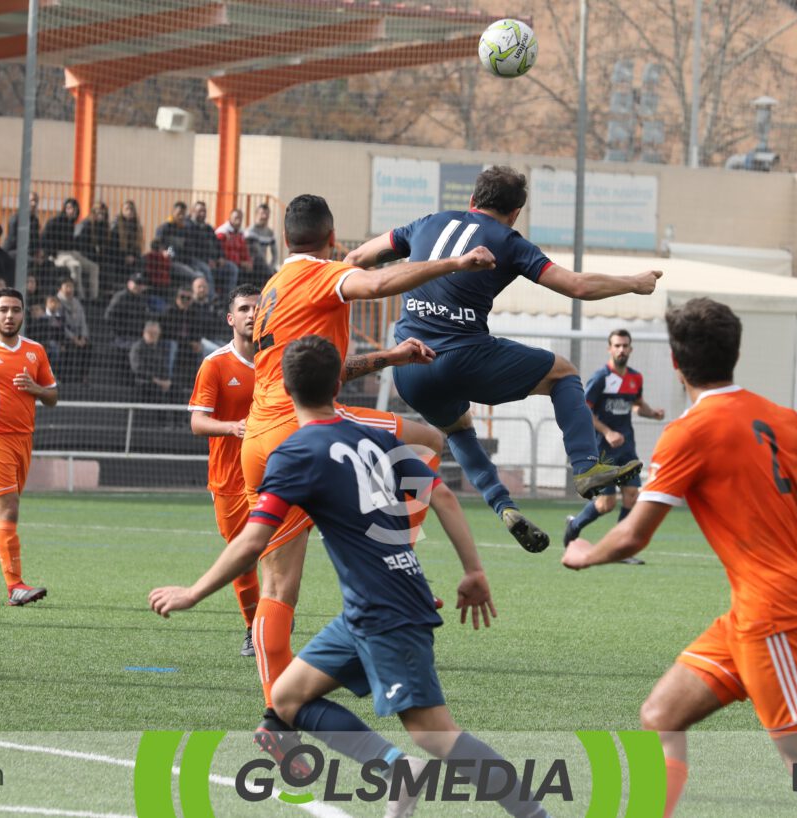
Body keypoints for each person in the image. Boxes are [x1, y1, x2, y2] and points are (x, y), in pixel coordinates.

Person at [151, 335, 551, 818]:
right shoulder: (374, 436)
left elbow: (253, 541)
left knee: (435, 733)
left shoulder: (296, 452)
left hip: (387, 611)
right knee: (286, 698)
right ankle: (396, 769)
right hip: (372, 604)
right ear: (337, 385)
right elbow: (443, 496)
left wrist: (192, 593)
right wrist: (473, 571)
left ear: (283, 388)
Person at [563, 298, 797, 818]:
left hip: (777, 614)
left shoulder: (689, 431)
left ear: (676, 364)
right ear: (736, 353)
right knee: (661, 715)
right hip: (753, 614)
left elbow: (633, 536)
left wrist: (585, 553)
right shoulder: (782, 417)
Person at [240, 193, 492, 712]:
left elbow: (329, 370)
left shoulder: (273, 288)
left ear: (285, 238)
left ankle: (276, 713)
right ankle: (400, 564)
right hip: (302, 427)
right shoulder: (323, 274)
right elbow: (376, 284)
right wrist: (456, 263)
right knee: (428, 442)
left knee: (278, 587)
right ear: (334, 240)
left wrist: (391, 357)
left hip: (260, 437)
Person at [346, 166, 661, 552]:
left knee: (458, 428)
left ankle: (503, 506)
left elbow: (357, 257)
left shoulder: (426, 223)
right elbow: (576, 285)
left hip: (408, 369)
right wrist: (634, 283)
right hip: (463, 357)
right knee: (563, 372)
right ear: (515, 214)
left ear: (472, 199)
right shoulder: (509, 241)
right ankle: (585, 466)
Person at [186, 284, 261, 655]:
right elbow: (197, 422)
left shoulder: (279, 359)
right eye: (244, 309)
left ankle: (271, 617)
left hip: (274, 475)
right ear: (231, 318)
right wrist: (233, 427)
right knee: (242, 558)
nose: (252, 314)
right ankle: (254, 625)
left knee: (279, 552)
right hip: (229, 479)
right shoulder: (215, 364)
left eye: (257, 308)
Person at [0, 287, 56, 606]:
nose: (10, 315)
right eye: (3, 310)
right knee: (9, 507)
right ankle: (15, 586)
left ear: (23, 314)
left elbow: (52, 396)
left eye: (15, 310)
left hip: (23, 439)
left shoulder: (35, 350)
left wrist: (36, 389)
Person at [563, 329, 666, 556]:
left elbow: (636, 405)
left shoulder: (635, 378)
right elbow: (584, 411)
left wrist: (652, 413)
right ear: (609, 349)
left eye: (625, 346)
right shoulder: (600, 378)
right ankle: (574, 525)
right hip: (603, 448)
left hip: (627, 447)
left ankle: (621, 550)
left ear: (631, 349)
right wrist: (608, 432)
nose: (621, 350)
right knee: (606, 503)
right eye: (617, 346)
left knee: (632, 496)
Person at [182, 201, 238, 296]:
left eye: (204, 211)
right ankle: (212, 299)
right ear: (192, 211)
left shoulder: (208, 228)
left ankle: (229, 299)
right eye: (200, 211)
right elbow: (191, 249)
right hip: (195, 261)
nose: (203, 214)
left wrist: (221, 257)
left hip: (213, 261)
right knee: (206, 269)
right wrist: (207, 261)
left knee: (232, 268)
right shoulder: (188, 227)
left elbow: (218, 245)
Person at [105, 273, 155, 347]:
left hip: (136, 336)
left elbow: (145, 316)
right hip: (121, 337)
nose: (139, 286)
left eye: (141, 284)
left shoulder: (142, 298)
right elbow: (109, 315)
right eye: (137, 283)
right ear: (129, 283)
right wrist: (117, 331)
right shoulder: (120, 297)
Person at [129, 320, 170, 402]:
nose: (154, 336)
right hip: (143, 382)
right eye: (151, 333)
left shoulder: (159, 348)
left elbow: (164, 366)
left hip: (158, 381)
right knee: (154, 389)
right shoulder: (138, 347)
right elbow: (138, 369)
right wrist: (156, 380)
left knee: (176, 388)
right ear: (145, 333)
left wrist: (166, 380)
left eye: (156, 333)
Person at [215, 207, 253, 284]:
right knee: (234, 269)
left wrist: (248, 262)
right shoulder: (222, 233)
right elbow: (224, 253)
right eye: (236, 218)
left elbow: (244, 251)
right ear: (230, 218)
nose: (238, 221)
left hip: (239, 264)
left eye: (240, 218)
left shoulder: (241, 234)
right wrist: (241, 263)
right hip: (225, 264)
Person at [244, 202, 277, 278]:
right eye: (262, 213)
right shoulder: (250, 231)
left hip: (264, 266)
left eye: (267, 214)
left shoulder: (270, 233)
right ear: (256, 214)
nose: (264, 216)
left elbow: (275, 254)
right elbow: (256, 252)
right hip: (253, 265)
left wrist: (271, 265)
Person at [112, 200, 143, 279]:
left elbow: (138, 247)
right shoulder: (116, 225)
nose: (129, 211)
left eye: (131, 209)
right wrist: (124, 257)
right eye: (127, 209)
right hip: (118, 258)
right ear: (122, 211)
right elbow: (113, 246)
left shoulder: (137, 227)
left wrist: (133, 257)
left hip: (133, 258)